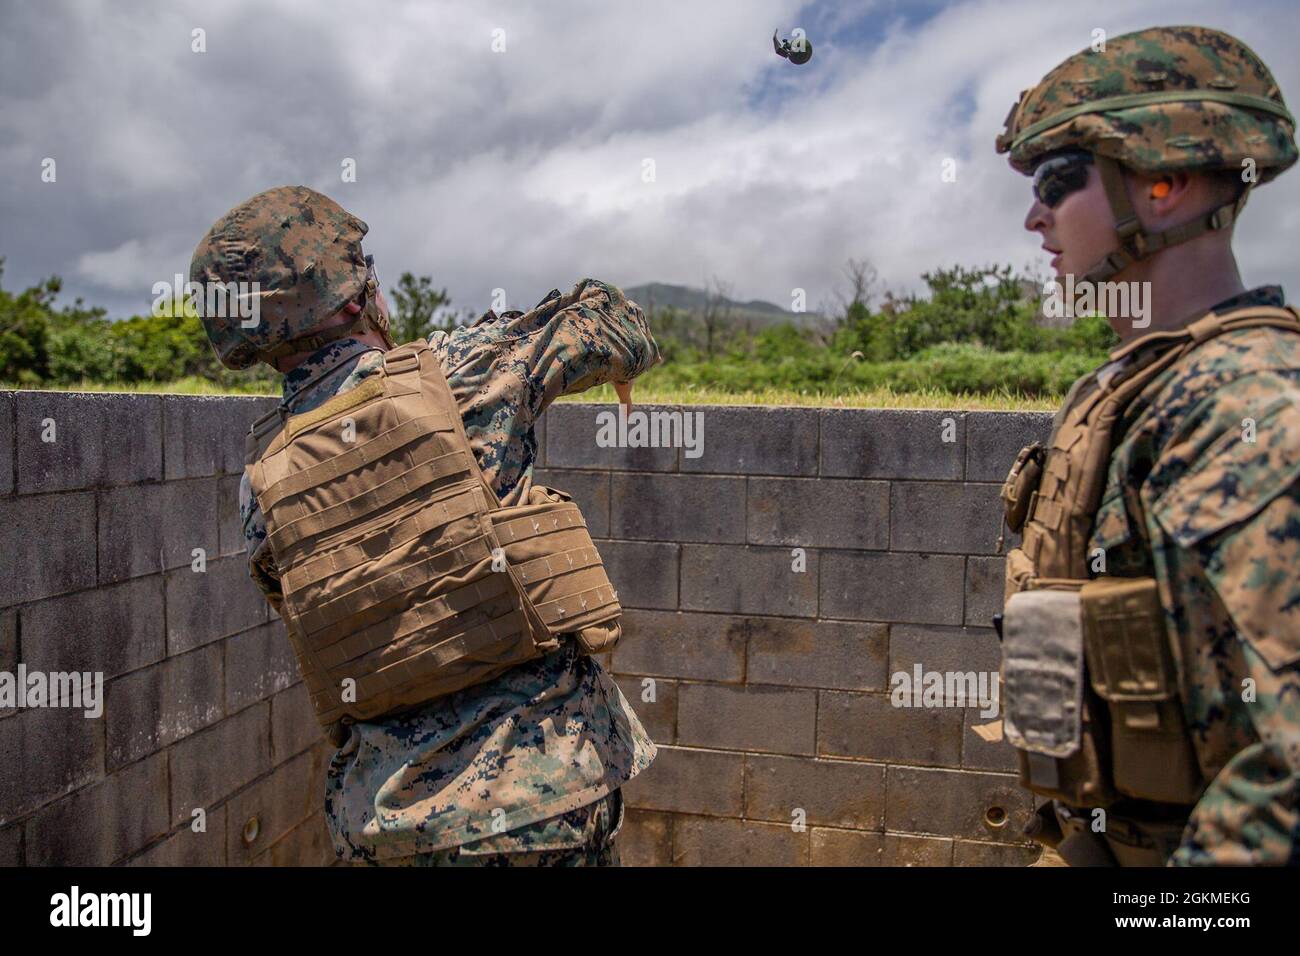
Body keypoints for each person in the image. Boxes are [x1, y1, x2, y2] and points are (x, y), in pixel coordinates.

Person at [190, 185, 659, 866]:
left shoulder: (261, 483)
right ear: (355, 298)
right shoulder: (461, 369)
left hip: (383, 828)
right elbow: (624, 331)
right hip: (542, 806)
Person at [992, 25, 1300, 865]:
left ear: (1162, 183)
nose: (1034, 216)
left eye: (1058, 181)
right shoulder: (1140, 384)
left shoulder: (1241, 400)